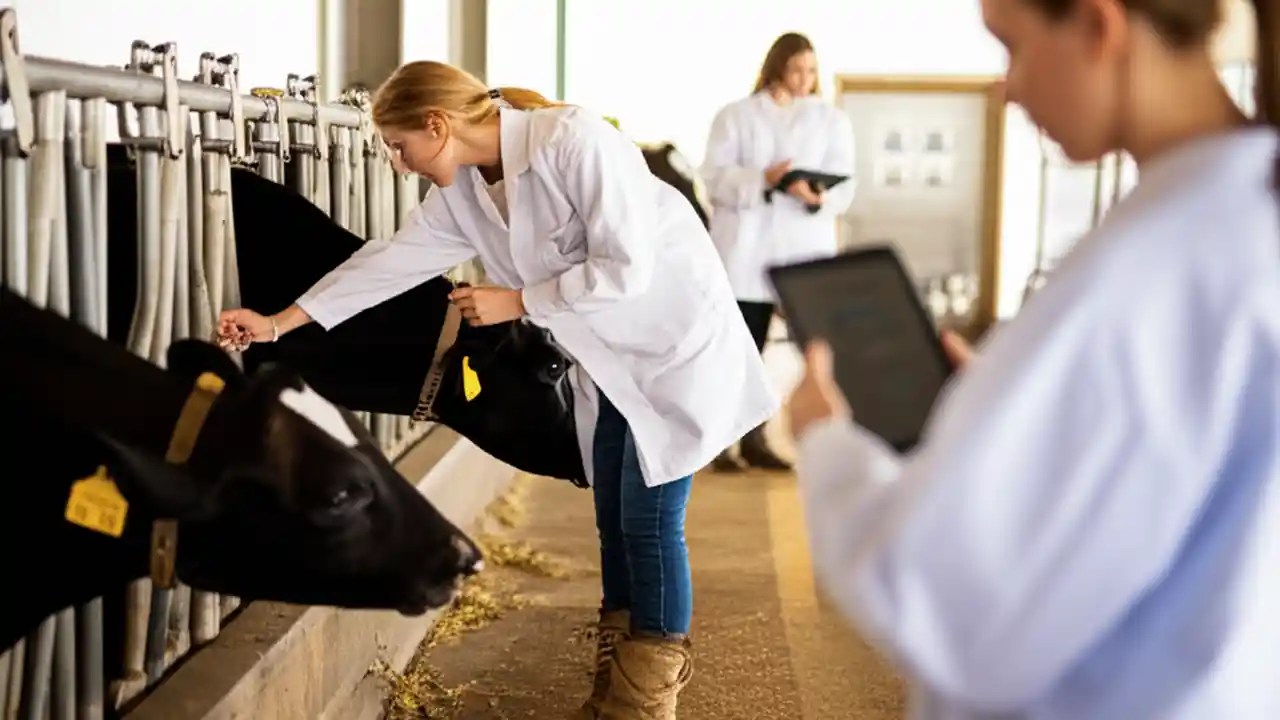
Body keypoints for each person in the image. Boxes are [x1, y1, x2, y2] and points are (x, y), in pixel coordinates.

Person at [215, 61, 778, 718]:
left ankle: (643, 704)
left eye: (400, 146)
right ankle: (617, 688)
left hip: (670, 349)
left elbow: (628, 267)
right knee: (615, 524)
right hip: (608, 363)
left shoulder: (573, 141)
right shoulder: (464, 194)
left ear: (437, 125)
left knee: (650, 523)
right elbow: (385, 265)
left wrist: (519, 299)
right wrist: (280, 323)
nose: (398, 163)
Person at [787, 0, 1280, 717]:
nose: (1006, 88)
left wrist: (826, 441)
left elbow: (947, 607)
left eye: (1011, 46)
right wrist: (1008, 403)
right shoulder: (1242, 214)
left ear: (1098, 26)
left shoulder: (1152, 268)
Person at [700, 31, 857, 472]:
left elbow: (846, 183)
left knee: (815, 349)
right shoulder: (736, 116)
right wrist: (763, 179)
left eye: (811, 71)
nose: (805, 79)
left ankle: (800, 436)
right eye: (796, 70)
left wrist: (817, 195)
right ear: (776, 68)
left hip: (802, 249)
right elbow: (713, 178)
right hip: (746, 251)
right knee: (741, 351)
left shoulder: (830, 121)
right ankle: (730, 441)